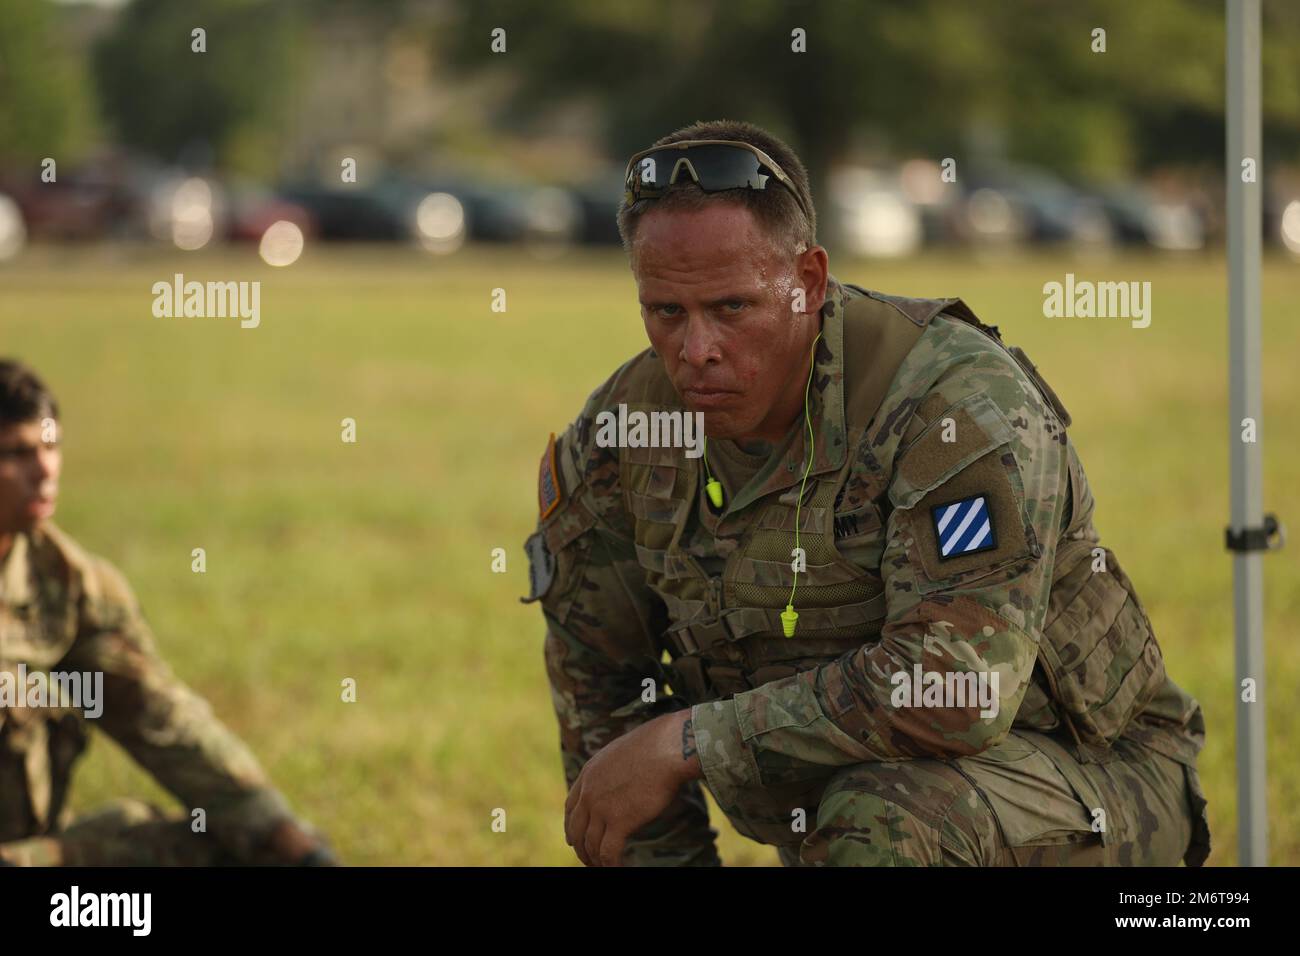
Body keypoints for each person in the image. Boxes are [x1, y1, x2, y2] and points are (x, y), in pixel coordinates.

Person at [524, 119, 1211, 867]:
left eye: (731, 308)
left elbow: (958, 689)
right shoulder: (626, 436)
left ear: (808, 283)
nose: (697, 351)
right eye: (666, 312)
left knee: (886, 818)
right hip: (866, 808)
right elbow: (602, 694)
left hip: (1092, 783)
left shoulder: (950, 404)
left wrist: (693, 740)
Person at [0, 359, 334, 866]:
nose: (44, 469)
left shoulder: (66, 584)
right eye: (17, 453)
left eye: (51, 447)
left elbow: (162, 721)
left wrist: (283, 835)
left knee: (223, 848)